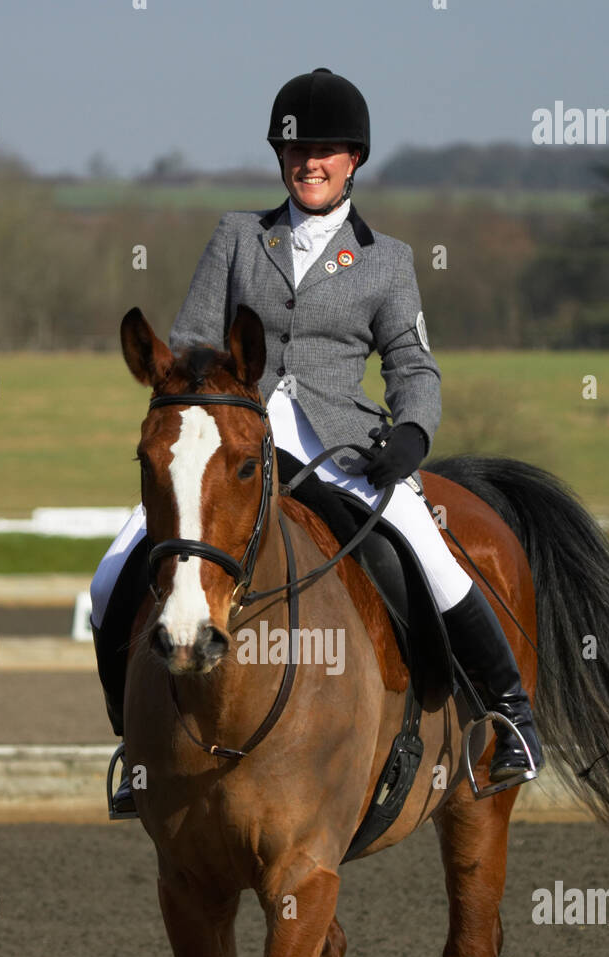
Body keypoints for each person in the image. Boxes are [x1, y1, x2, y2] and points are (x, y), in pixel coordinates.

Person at [92, 67, 543, 817]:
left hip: (344, 445)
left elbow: (411, 363)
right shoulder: (238, 236)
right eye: (297, 151)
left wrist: (410, 433)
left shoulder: (386, 259)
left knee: (428, 554)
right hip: (237, 440)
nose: (311, 163)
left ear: (352, 160)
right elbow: (194, 339)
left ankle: (510, 718)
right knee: (111, 574)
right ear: (281, 159)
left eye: (327, 151)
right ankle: (133, 750)